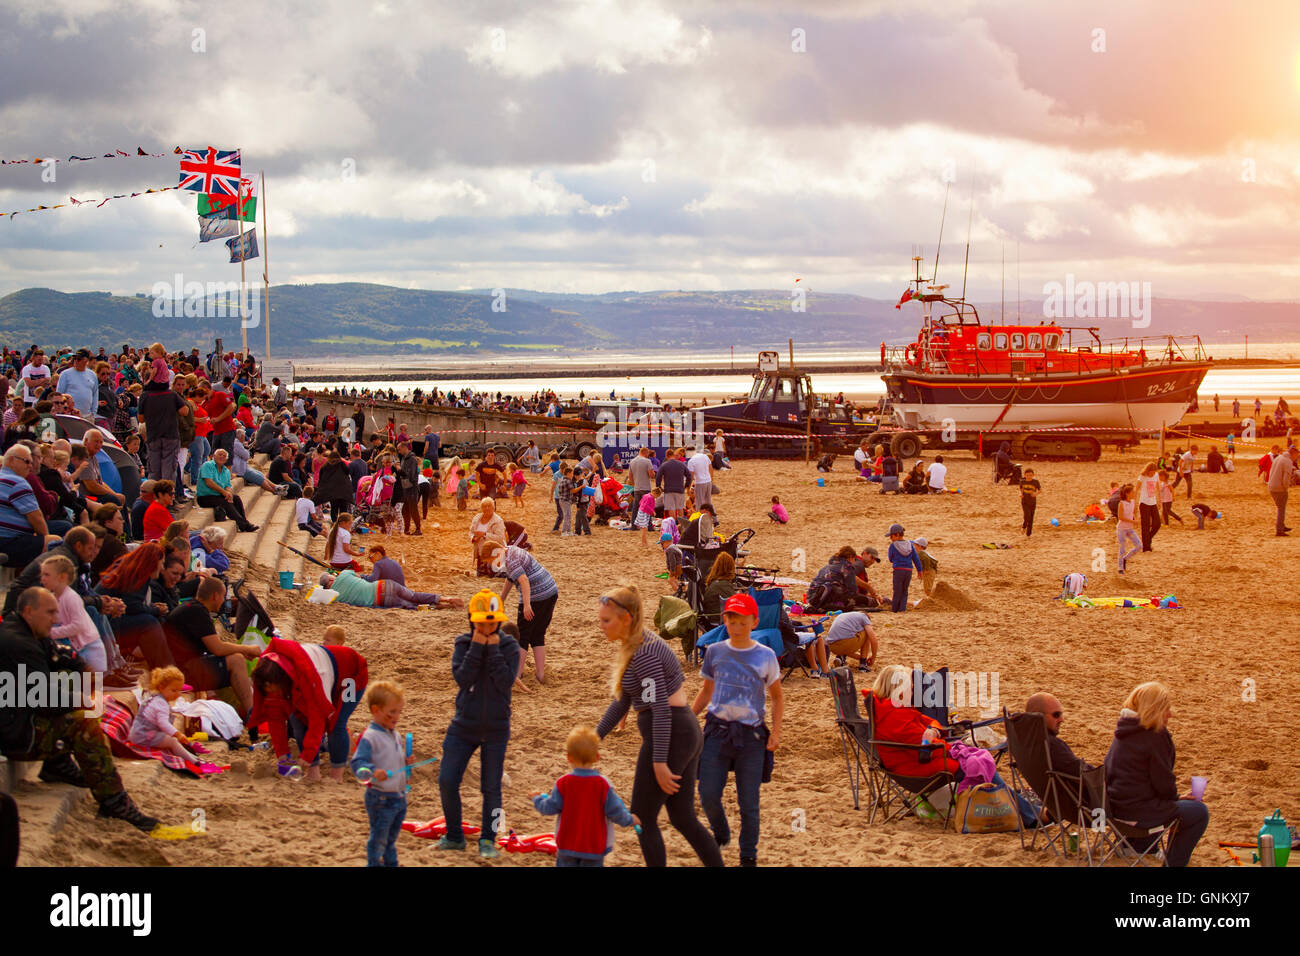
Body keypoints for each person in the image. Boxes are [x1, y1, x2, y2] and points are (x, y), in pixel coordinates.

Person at [0, 587, 160, 831]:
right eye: (50, 612)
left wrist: (81, 666)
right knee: (84, 722)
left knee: (69, 675)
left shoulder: (25, 629)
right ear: (29, 611)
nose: (56, 619)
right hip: (15, 732)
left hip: (21, 714)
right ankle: (115, 802)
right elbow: (42, 697)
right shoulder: (18, 643)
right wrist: (84, 701)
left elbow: (58, 653)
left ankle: (57, 764)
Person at [594, 585, 723, 867]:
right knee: (682, 817)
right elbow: (623, 701)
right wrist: (595, 737)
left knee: (642, 817)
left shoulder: (645, 653)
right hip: (682, 732)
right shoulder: (635, 645)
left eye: (606, 620)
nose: (601, 625)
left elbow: (661, 710)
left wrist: (660, 762)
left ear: (626, 618)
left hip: (671, 733)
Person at [870, 664, 1038, 826]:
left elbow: (930, 723)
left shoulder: (892, 709)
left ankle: (1024, 809)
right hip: (917, 767)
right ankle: (1029, 813)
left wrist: (934, 732)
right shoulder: (896, 718)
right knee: (978, 764)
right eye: (910, 687)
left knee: (978, 761)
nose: (913, 691)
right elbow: (927, 747)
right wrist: (948, 747)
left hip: (916, 760)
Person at [691, 593, 783, 867]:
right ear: (725, 621)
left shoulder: (765, 655)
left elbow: (777, 697)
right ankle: (721, 832)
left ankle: (748, 857)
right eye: (732, 621)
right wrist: (688, 718)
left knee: (749, 803)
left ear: (754, 622)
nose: (737, 626)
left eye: (743, 621)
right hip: (717, 730)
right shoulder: (715, 652)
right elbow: (706, 691)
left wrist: (775, 732)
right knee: (708, 793)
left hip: (751, 735)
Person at [437, 590, 519, 859]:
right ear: (472, 620)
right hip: (463, 725)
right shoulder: (463, 643)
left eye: (491, 623)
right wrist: (476, 647)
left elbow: (505, 681)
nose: (486, 628)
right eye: (481, 623)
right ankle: (454, 836)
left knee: (491, 788)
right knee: (447, 779)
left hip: (496, 728)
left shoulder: (509, 647)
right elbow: (462, 678)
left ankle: (488, 840)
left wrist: (492, 650)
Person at [1104, 681, 1208, 867]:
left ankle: (1136, 846)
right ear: (1154, 709)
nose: (1170, 714)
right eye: (1166, 709)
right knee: (1199, 812)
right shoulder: (1155, 736)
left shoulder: (1123, 732)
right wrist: (1175, 799)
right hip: (1138, 814)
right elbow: (1163, 784)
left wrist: (1174, 799)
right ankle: (1173, 864)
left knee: (1163, 803)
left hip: (1116, 812)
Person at [246, 634, 369, 782]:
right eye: (268, 689)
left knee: (336, 723)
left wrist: (308, 754)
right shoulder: (272, 677)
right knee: (297, 720)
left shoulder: (308, 677)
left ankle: (337, 775)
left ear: (283, 682)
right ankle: (313, 772)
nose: (272, 692)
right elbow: (275, 719)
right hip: (324, 673)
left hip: (350, 672)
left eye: (275, 689)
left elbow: (318, 719)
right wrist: (282, 754)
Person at [529, 725, 639, 867]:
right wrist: (630, 820)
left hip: (567, 846)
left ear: (568, 757)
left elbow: (549, 808)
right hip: (593, 848)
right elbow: (615, 811)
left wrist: (537, 799)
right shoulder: (602, 785)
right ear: (597, 757)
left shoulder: (563, 783)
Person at [164, 576, 258, 712]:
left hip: (179, 666)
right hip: (180, 672)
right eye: (223, 596)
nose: (224, 601)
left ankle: (246, 710)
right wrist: (246, 649)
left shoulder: (192, 607)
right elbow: (217, 648)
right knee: (236, 660)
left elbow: (212, 647)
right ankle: (251, 712)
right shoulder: (197, 612)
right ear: (215, 596)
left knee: (235, 657)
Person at [349, 681, 412, 867]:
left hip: (398, 796)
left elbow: (392, 760)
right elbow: (358, 762)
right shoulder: (370, 736)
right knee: (379, 838)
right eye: (392, 712)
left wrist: (406, 762)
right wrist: (373, 771)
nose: (397, 716)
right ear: (375, 710)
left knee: (391, 839)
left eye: (399, 711)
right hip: (380, 797)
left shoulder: (395, 734)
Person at [485, 540, 558, 686]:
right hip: (550, 591)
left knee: (522, 635)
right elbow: (511, 578)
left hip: (537, 595)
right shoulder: (510, 550)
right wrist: (502, 599)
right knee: (538, 634)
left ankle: (517, 674)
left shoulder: (510, 560)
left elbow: (523, 580)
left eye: (489, 560)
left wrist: (526, 605)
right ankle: (540, 675)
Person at [44, 553, 107, 673]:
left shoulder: (71, 597)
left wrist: (51, 633)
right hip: (76, 650)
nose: (42, 579)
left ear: (62, 577)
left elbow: (78, 626)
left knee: (92, 683)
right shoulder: (52, 598)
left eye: (47, 575)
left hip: (90, 650)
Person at [129, 666, 204, 763]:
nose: (178, 694)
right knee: (172, 741)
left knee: (171, 739)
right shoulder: (161, 704)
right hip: (144, 736)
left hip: (138, 733)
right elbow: (163, 723)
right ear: (161, 687)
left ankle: (193, 758)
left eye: (179, 690)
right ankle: (194, 762)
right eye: (174, 690)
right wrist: (178, 734)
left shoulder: (155, 697)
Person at [0, 444, 57, 568]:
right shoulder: (17, 482)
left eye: (31, 462)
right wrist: (45, 539)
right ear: (11, 460)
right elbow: (37, 518)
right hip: (6, 542)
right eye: (26, 461)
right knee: (54, 542)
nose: (30, 466)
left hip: (6, 540)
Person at [1024, 692, 1096, 788]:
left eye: (1061, 714)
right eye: (1056, 715)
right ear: (1038, 716)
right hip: (1075, 796)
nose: (1062, 720)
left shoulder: (1023, 740)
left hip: (1043, 792)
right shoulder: (1052, 745)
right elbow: (1088, 775)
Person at [320, 568, 461, 610]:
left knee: (410, 605)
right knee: (413, 595)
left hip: (379, 599)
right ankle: (445, 598)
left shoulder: (336, 598)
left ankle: (439, 607)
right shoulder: (344, 574)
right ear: (331, 579)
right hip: (383, 585)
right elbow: (360, 577)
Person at [196, 448, 258, 533]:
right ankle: (245, 525)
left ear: (226, 460)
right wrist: (224, 492)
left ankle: (244, 522)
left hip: (218, 495)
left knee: (236, 499)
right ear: (214, 456)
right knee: (225, 503)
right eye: (219, 455)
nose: (221, 457)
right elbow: (209, 482)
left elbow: (227, 486)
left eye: (224, 456)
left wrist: (229, 493)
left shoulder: (226, 471)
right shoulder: (207, 465)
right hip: (205, 497)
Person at [887, 524, 922, 612]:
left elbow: (890, 559)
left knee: (897, 591)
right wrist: (919, 570)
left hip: (898, 570)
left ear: (897, 534)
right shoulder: (910, 545)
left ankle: (895, 609)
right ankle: (902, 609)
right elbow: (916, 558)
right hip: (908, 570)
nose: (890, 538)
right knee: (904, 591)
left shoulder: (893, 546)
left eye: (891, 536)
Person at [56, 349, 99, 419]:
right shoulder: (65, 374)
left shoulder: (92, 375)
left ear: (86, 360)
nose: (76, 361)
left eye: (79, 359)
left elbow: (95, 394)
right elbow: (59, 394)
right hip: (70, 415)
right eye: (74, 359)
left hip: (88, 416)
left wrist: (93, 412)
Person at [1266, 444, 1297, 536]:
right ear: (1293, 454)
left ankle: (1281, 526)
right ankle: (1279, 529)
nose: (1296, 458)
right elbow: (1286, 477)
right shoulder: (1287, 461)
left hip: (1272, 486)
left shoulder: (1279, 457)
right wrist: (1286, 487)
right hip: (1279, 488)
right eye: (1297, 456)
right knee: (1281, 508)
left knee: (1280, 507)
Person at [469, 497, 507, 571]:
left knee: (492, 573)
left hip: (494, 554)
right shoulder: (477, 518)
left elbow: (500, 538)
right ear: (481, 508)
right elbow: (471, 531)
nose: (487, 508)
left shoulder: (498, 521)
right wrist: (473, 538)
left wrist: (484, 534)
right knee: (480, 574)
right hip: (480, 553)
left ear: (493, 507)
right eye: (484, 506)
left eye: (489, 506)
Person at [701, 552, 739, 618]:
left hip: (713, 617)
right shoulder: (723, 585)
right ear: (730, 568)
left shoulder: (714, 583)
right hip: (718, 619)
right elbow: (736, 604)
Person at [656, 446, 688, 519]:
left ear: (667, 456)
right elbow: (688, 475)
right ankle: (681, 523)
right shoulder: (681, 464)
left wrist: (659, 487)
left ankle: (673, 523)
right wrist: (686, 485)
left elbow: (658, 477)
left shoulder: (664, 465)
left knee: (671, 508)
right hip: (680, 489)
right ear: (673, 455)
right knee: (680, 507)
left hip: (668, 489)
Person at [1136, 462, 1161, 552]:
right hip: (1144, 503)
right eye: (1151, 472)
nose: (1153, 474)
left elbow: (1158, 488)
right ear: (1148, 471)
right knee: (1145, 526)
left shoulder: (1156, 475)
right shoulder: (1142, 476)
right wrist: (1134, 503)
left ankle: (1147, 539)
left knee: (1157, 523)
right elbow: (1136, 489)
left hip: (1153, 502)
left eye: (1154, 472)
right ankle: (1146, 547)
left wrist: (1159, 501)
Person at [1116, 484, 1140, 574]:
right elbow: (1120, 517)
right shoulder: (1121, 503)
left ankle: (1125, 558)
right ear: (1127, 493)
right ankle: (1120, 568)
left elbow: (1134, 512)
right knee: (1122, 548)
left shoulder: (1133, 502)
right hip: (1121, 529)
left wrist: (1136, 519)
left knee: (1139, 546)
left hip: (1130, 528)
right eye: (1132, 492)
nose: (1134, 493)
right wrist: (1133, 521)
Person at [686, 445, 714, 510]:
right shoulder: (705, 456)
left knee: (699, 503)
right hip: (708, 481)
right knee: (708, 501)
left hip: (700, 483)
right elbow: (711, 468)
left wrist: (688, 488)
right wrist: (711, 479)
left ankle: (700, 516)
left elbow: (691, 476)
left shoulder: (691, 461)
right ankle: (713, 516)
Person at [1020, 467, 1040, 536]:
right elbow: (1021, 488)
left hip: (1032, 502)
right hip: (1024, 501)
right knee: (1027, 515)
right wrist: (1021, 494)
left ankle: (1028, 534)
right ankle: (1024, 526)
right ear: (1024, 475)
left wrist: (1036, 494)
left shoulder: (1036, 482)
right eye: (1027, 475)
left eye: (1030, 475)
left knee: (1031, 517)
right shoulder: (1022, 481)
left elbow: (1040, 490)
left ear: (1033, 475)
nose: (1029, 477)